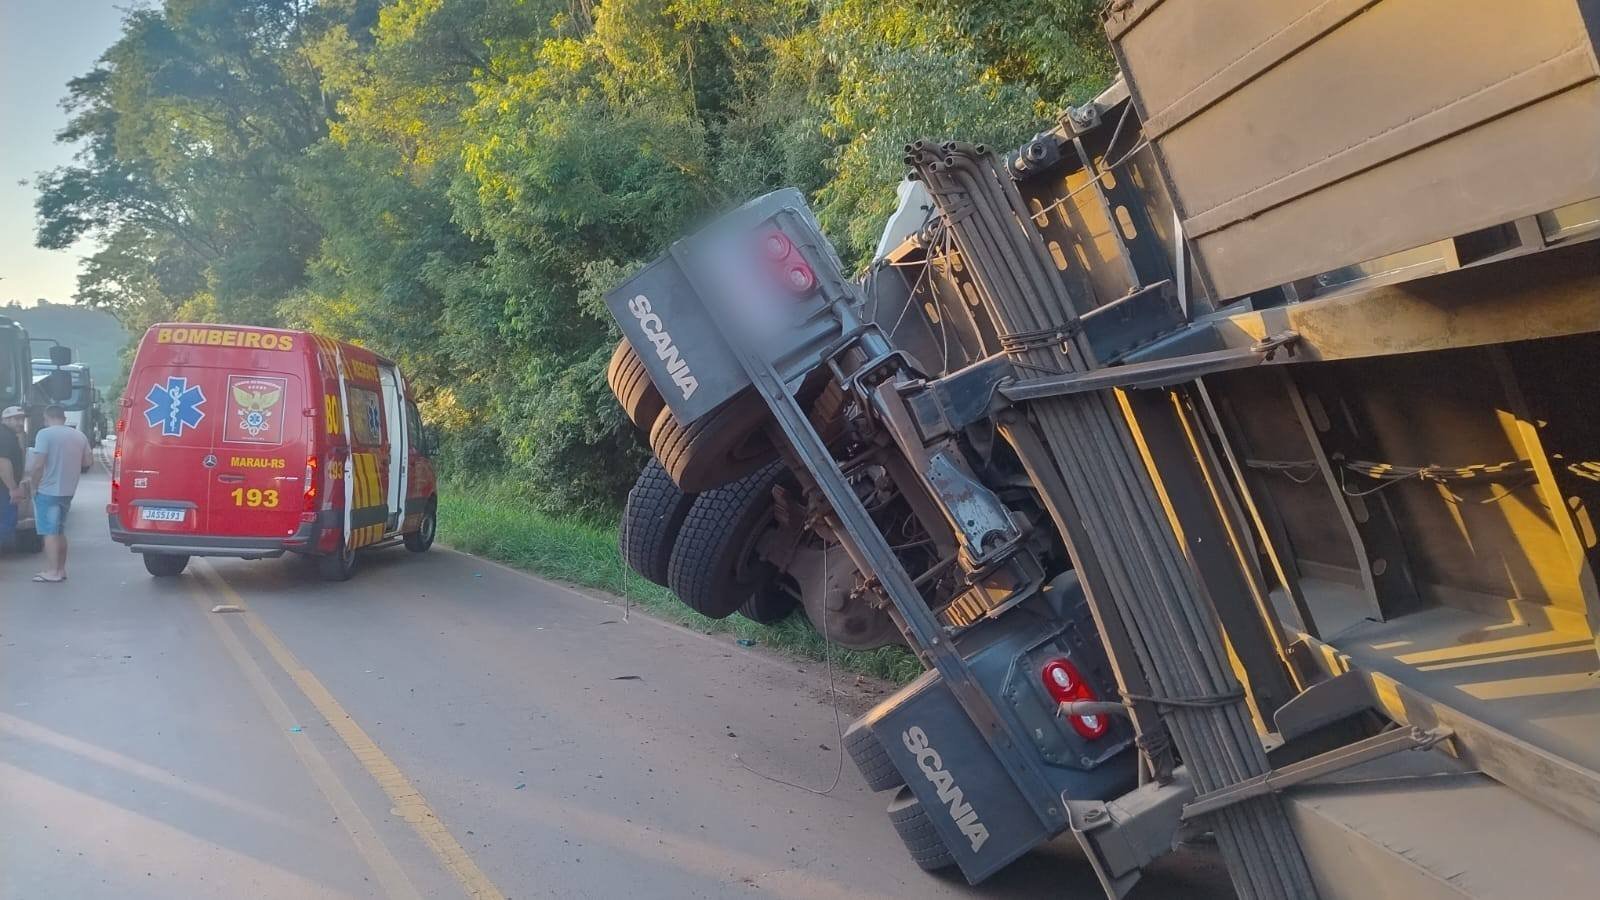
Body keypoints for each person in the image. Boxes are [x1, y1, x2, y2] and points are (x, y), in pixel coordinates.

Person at [25, 405, 92, 582]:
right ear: (63, 417)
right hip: (68, 490)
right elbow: (87, 461)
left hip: (48, 489)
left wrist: (33, 485)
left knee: (49, 532)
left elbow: (39, 464)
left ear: (47, 417)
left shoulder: (44, 434)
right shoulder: (79, 435)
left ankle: (53, 571)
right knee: (59, 530)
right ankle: (61, 569)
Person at [0, 406, 25, 549]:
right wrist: (13, 488)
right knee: (6, 522)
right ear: (5, 420)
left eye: (21, 418)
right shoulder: (5, 436)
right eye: (16, 419)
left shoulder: (8, 435)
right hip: (3, 488)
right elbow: (3, 463)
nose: (20, 422)